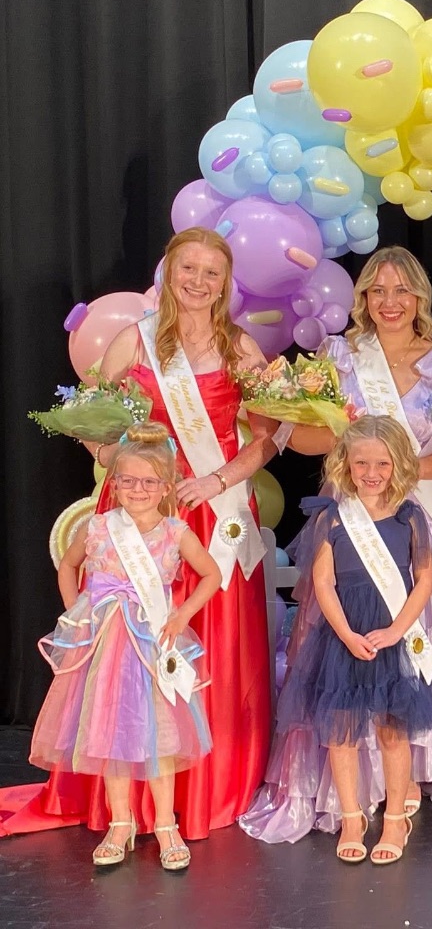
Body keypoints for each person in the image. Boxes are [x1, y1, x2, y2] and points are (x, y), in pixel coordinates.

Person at [1, 228, 275, 840]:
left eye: (211, 272)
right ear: (168, 272)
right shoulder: (134, 339)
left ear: (225, 284)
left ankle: (203, 790)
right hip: (138, 511)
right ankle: (121, 802)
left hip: (211, 510)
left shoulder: (241, 349)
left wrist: (219, 478)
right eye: (188, 268)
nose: (198, 281)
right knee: (124, 653)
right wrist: (112, 457)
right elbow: (88, 417)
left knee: (205, 642)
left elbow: (269, 436)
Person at [271, 246, 432, 812]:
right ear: (363, 298)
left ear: (420, 296)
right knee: (352, 635)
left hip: (425, 513)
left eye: (402, 290)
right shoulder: (337, 356)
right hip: (353, 515)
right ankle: (360, 780)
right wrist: (357, 447)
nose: (390, 301)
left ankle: (421, 768)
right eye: (378, 290)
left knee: (429, 634)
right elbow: (295, 437)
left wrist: (407, 471)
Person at [28, 422, 220, 869]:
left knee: (160, 734)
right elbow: (68, 566)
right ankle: (120, 822)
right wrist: (76, 610)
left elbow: (212, 574)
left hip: (152, 646)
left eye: (149, 482)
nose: (137, 490)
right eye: (128, 480)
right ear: (114, 484)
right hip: (104, 647)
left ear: (166, 487)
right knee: (110, 732)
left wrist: (182, 614)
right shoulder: (98, 527)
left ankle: (166, 824)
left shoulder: (175, 532)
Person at [266, 416, 432, 864]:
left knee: (393, 733)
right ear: (346, 463)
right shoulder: (331, 517)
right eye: (361, 463)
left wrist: (396, 631)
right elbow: (323, 584)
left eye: (382, 463)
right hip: (344, 638)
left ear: (398, 464)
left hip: (392, 636)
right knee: (341, 735)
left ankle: (395, 818)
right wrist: (345, 634)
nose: (371, 472)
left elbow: (424, 579)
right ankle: (351, 817)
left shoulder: (410, 516)